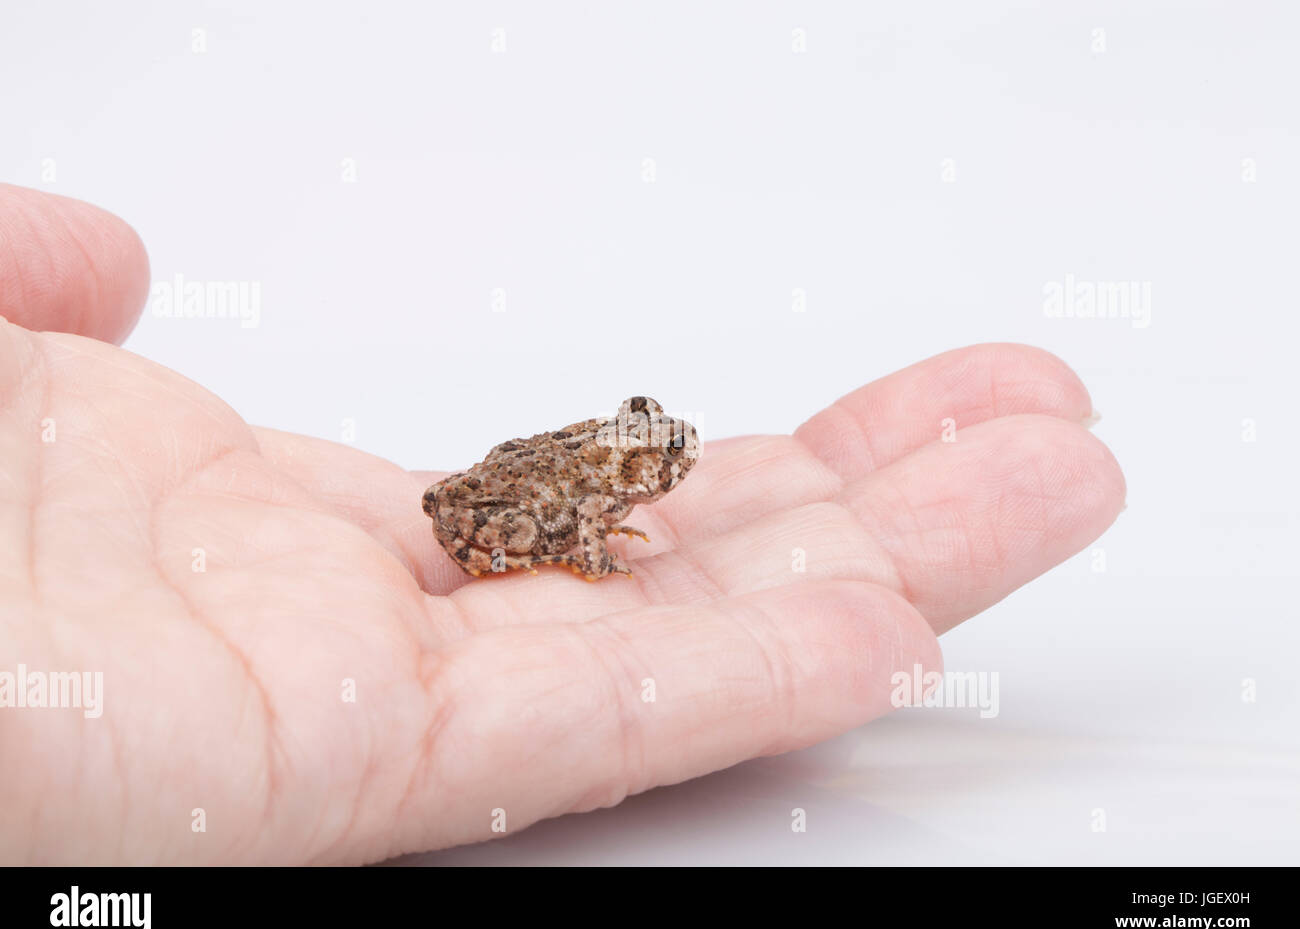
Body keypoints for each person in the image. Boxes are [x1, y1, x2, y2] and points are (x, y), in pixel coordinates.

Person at [0, 185, 1124, 864]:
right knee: (532, 509)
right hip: (486, 508)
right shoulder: (597, 487)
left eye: (663, 445)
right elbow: (553, 507)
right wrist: (584, 553)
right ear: (631, 462)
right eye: (655, 453)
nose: (672, 457)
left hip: (501, 478)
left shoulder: (616, 460)